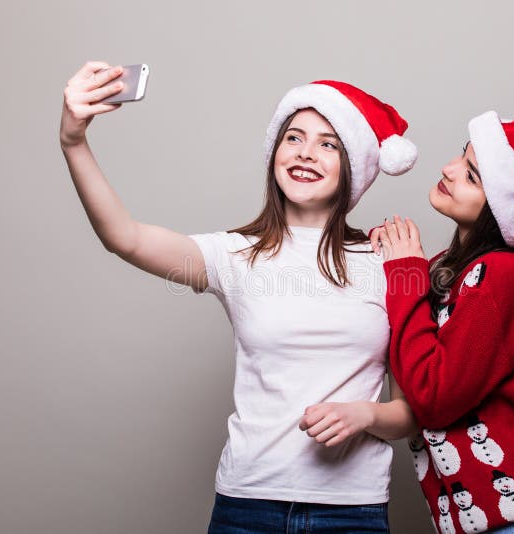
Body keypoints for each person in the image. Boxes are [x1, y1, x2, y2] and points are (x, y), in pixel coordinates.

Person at [59, 61, 419, 533]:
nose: (306, 153)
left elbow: (410, 413)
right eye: (294, 137)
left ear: (354, 166)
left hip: (354, 511)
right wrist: (73, 142)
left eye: (328, 143)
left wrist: (364, 414)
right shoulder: (234, 255)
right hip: (248, 507)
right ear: (274, 151)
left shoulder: (388, 261)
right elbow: (124, 237)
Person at [369, 111, 514, 533]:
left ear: (502, 209)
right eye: (461, 157)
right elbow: (408, 362)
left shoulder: (503, 275)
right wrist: (391, 266)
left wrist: (406, 273)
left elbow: (432, 398)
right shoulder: (447, 270)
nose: (449, 170)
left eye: (472, 177)